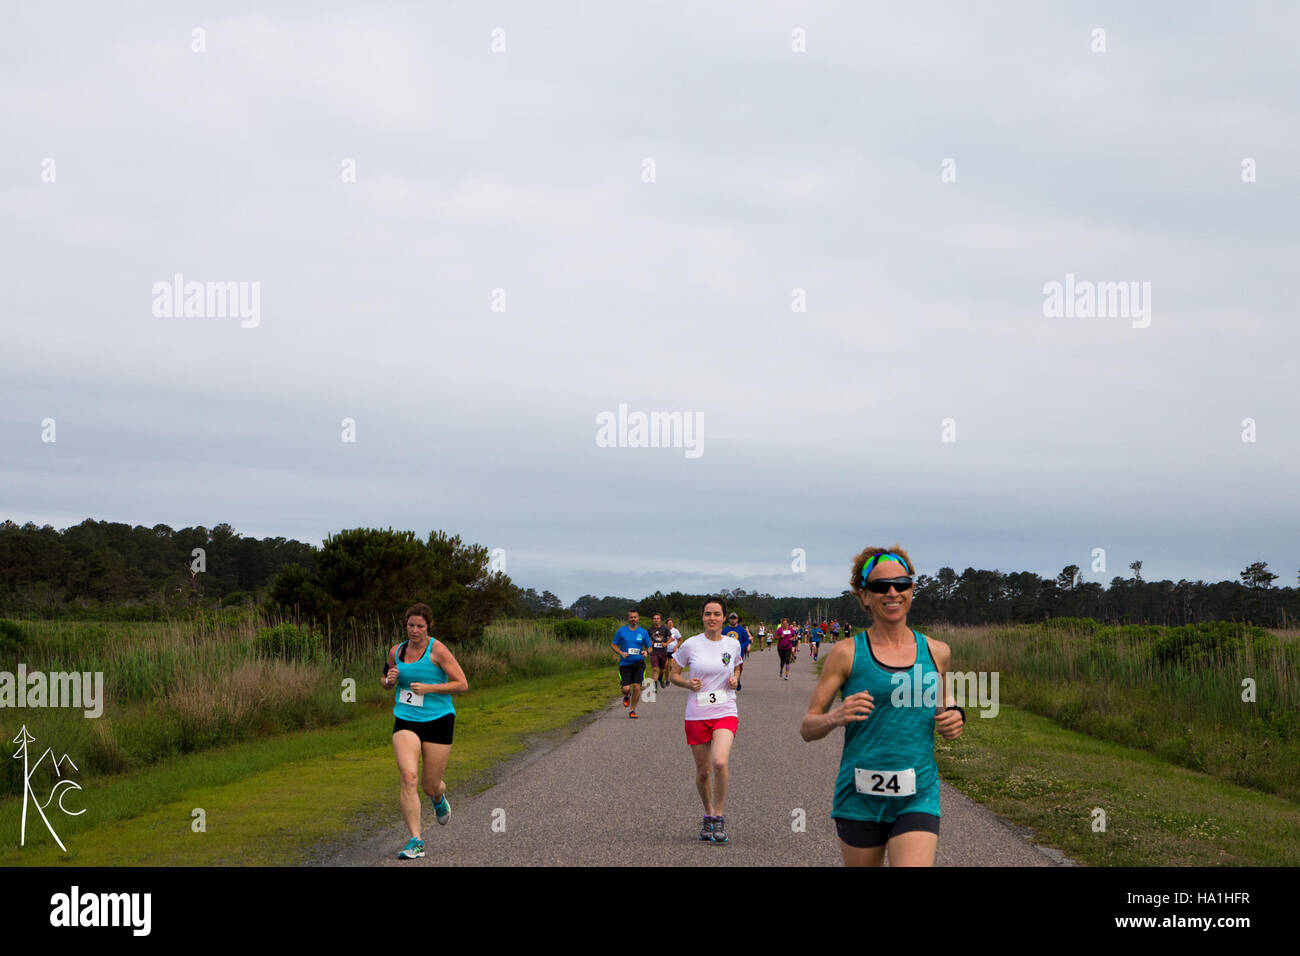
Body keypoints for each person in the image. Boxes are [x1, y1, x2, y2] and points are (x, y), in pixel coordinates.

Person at [800, 547, 964, 867]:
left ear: (911, 591)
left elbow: (946, 701)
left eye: (901, 584)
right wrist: (835, 716)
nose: (892, 592)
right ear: (864, 596)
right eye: (880, 586)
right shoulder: (847, 653)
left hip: (917, 795)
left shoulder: (937, 651)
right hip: (859, 798)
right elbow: (808, 727)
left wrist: (956, 715)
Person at [383, 603, 469, 860]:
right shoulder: (396, 651)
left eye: (420, 626)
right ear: (406, 625)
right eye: (411, 625)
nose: (415, 630)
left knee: (430, 785)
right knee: (408, 777)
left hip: (438, 719)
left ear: (428, 626)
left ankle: (438, 798)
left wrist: (430, 689)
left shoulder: (438, 650)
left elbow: (462, 684)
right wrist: (389, 681)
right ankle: (416, 841)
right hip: (406, 720)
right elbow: (385, 681)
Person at [669, 597, 742, 844]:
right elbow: (673, 674)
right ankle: (708, 814)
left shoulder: (732, 645)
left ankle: (719, 815)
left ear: (724, 618)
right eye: (708, 614)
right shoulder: (690, 645)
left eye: (717, 614)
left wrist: (734, 678)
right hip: (697, 714)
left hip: (725, 710)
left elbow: (738, 667)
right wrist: (687, 683)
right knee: (703, 772)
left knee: (720, 763)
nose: (712, 618)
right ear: (702, 617)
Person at [611, 610, 651, 717]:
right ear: (628, 619)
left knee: (637, 687)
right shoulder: (621, 631)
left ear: (638, 618)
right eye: (631, 617)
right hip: (625, 664)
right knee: (626, 689)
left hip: (638, 663)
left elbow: (650, 647)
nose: (633, 619)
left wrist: (646, 652)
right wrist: (621, 652)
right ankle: (627, 695)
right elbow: (614, 645)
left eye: (635, 617)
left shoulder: (643, 632)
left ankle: (632, 710)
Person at [721, 612, 751, 692]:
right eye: (731, 618)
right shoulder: (725, 630)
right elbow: (720, 639)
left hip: (738, 653)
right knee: (727, 667)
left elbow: (747, 640)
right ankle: (728, 682)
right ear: (729, 619)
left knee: (738, 668)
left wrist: (741, 647)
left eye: (734, 618)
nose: (733, 620)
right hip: (727, 653)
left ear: (737, 619)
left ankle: (737, 680)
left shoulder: (741, 629)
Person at [648, 613, 674, 688]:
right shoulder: (650, 629)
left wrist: (666, 643)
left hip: (663, 652)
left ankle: (660, 678)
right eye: (654, 618)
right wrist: (650, 642)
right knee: (654, 669)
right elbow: (645, 638)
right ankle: (655, 685)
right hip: (654, 652)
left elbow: (671, 638)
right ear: (653, 620)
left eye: (658, 618)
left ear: (660, 620)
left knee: (662, 670)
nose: (656, 620)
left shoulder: (665, 629)